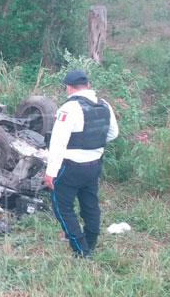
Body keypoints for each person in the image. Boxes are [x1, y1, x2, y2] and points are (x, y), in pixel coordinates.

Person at [43, 69, 119, 257]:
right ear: (88, 85)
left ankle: (81, 250)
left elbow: (58, 142)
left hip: (71, 167)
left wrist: (50, 172)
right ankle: (91, 242)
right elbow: (113, 133)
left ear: (68, 87)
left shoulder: (69, 109)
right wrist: (92, 145)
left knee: (62, 206)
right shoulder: (104, 105)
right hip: (94, 165)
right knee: (90, 204)